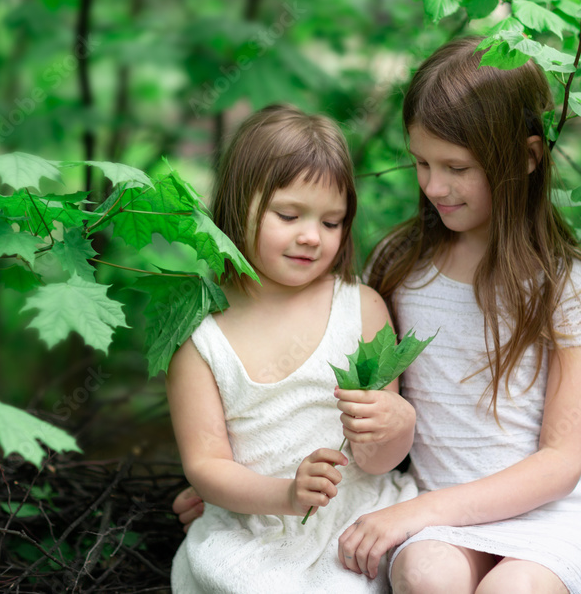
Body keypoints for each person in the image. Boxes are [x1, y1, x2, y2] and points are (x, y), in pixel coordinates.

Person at [335, 36, 581, 594]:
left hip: (558, 518)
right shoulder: (402, 266)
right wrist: (251, 485)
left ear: (526, 157)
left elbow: (559, 465)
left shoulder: (569, 288)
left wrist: (411, 516)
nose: (433, 186)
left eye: (456, 167)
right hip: (440, 520)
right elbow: (354, 398)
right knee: (427, 576)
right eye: (421, 162)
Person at [166, 103, 419, 593]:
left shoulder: (361, 310)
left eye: (331, 222)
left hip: (356, 516)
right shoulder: (202, 335)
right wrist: (285, 495)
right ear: (239, 204)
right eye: (289, 214)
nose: (311, 237)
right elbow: (206, 464)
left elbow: (379, 457)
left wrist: (397, 424)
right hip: (256, 522)